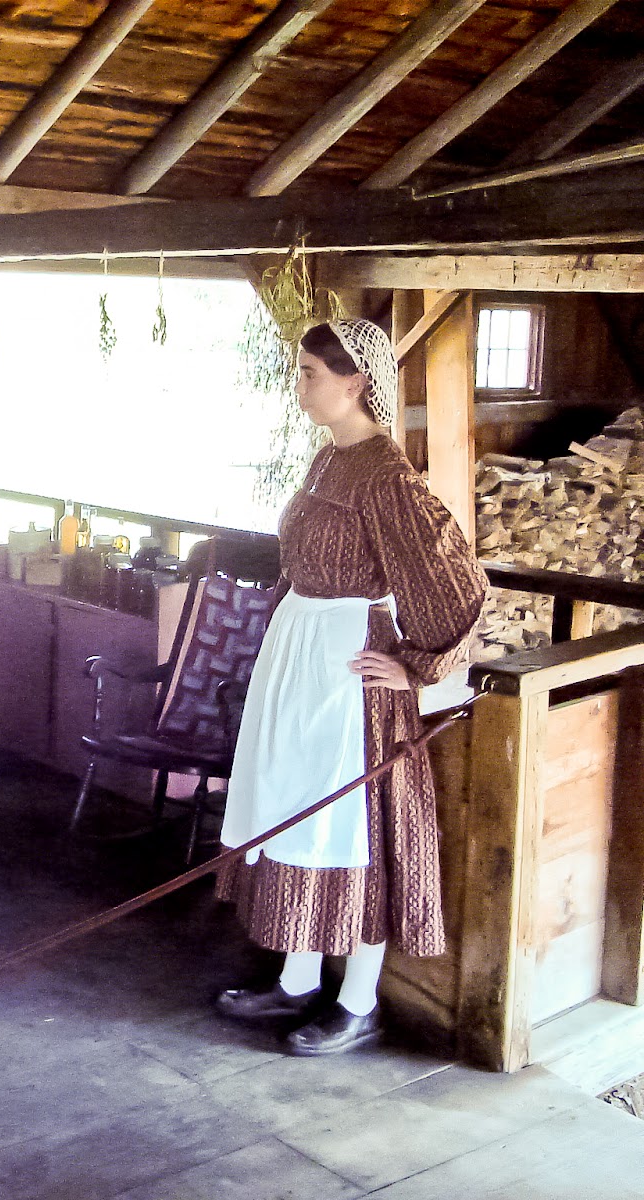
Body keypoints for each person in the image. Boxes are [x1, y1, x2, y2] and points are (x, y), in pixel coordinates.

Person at [214, 319, 486, 1055]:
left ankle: (358, 1001)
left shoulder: (389, 475)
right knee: (297, 811)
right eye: (300, 370)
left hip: (347, 671)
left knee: (349, 824)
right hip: (300, 656)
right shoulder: (327, 460)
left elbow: (456, 580)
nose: (299, 384)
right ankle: (298, 982)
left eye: (309, 373)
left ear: (356, 384)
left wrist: (418, 664)